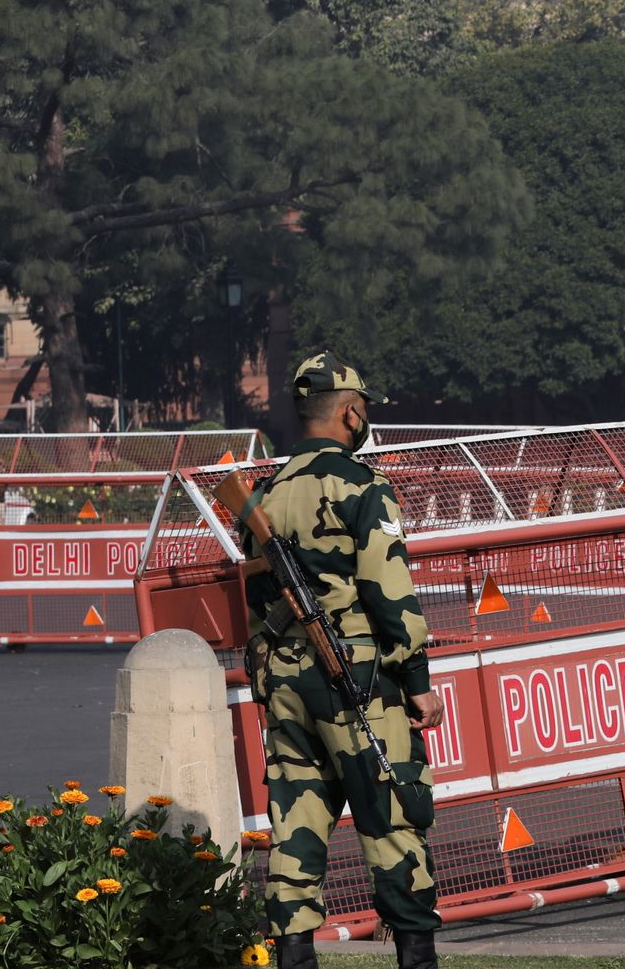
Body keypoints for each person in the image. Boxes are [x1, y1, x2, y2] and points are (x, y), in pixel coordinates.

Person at [246, 353, 443, 969]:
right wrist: (417, 680)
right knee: (392, 816)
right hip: (357, 679)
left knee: (296, 818)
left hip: (285, 679)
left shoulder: (263, 494)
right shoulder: (363, 485)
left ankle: (293, 955)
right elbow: (390, 591)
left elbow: (254, 597)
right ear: (352, 413)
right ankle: (416, 957)